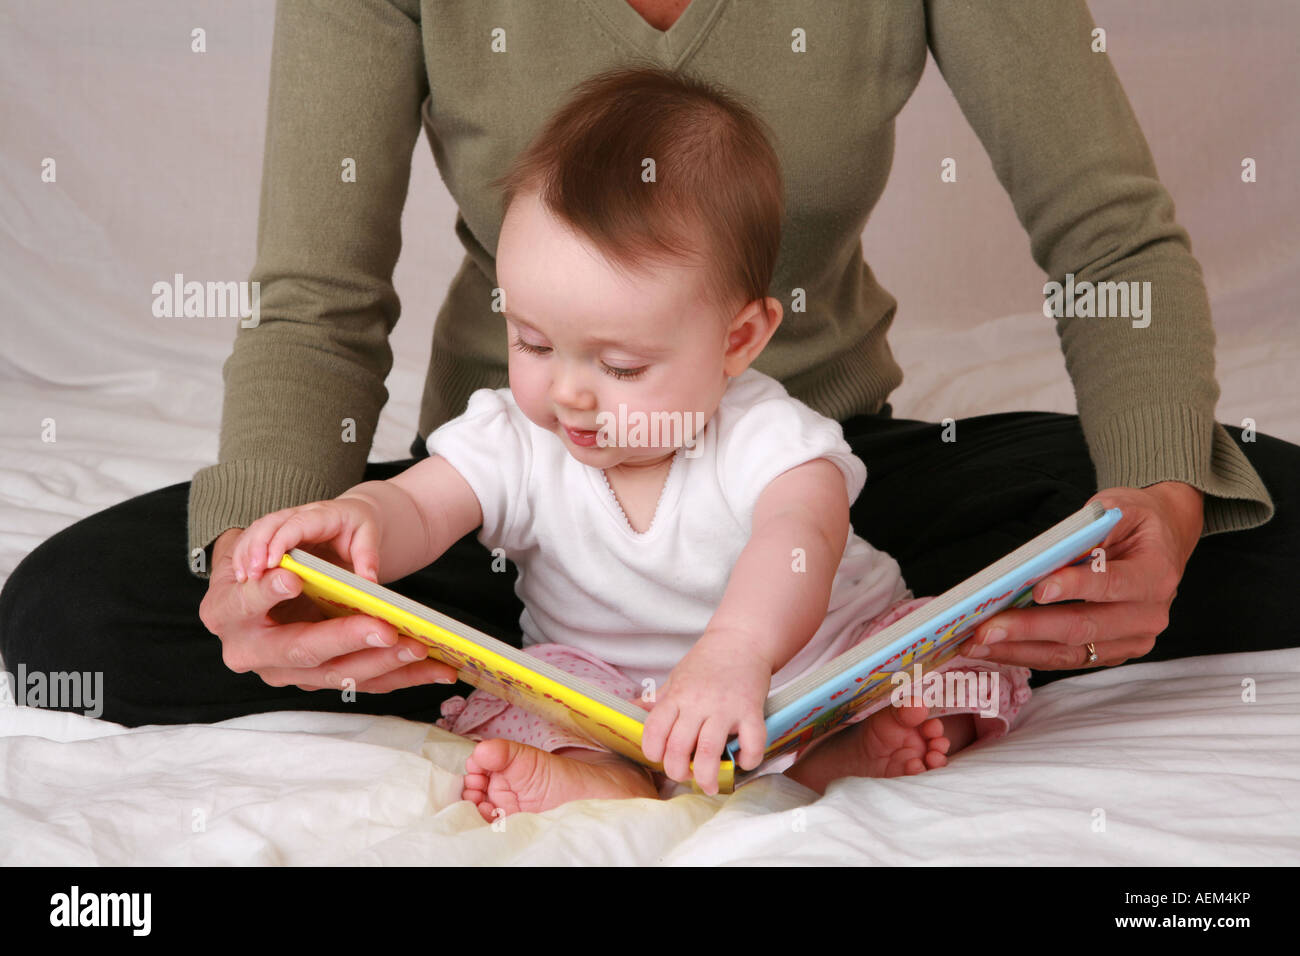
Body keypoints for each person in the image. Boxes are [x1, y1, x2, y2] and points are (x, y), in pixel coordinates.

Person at [1, 1, 1294, 736]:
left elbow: (1109, 237)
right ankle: (600, 693)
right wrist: (268, 565)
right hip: (524, 514)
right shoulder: (524, 434)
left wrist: (1163, 504)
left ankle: (794, 670)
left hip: (819, 494)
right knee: (76, 612)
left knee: (1253, 508)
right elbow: (318, 306)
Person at [226, 66, 1032, 815]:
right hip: (612, 693)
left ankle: (847, 749)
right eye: (534, 343)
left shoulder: (765, 434)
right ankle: (600, 775)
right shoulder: (518, 433)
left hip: (805, 668)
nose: (568, 391)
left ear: (738, 339)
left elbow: (801, 537)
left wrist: (736, 654)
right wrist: (359, 520)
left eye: (620, 364)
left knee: (944, 667)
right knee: (535, 705)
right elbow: (419, 504)